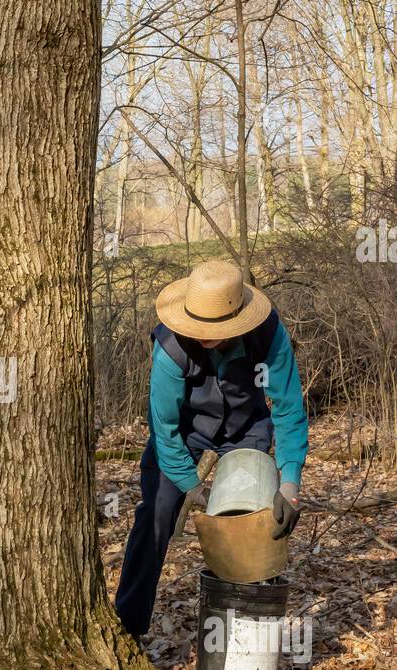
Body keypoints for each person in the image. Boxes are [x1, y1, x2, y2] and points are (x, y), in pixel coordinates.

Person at [114, 259, 308, 642]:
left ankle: (244, 642)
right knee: (156, 513)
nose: (203, 335)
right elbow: (164, 429)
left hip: (246, 428)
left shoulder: (268, 335)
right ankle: (128, 628)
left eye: (215, 329)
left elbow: (288, 409)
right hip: (185, 433)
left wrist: (289, 483)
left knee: (251, 522)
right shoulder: (170, 348)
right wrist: (192, 486)